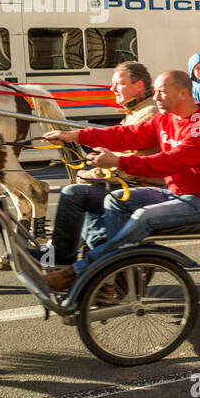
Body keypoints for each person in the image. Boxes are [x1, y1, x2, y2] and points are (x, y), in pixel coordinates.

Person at [41, 70, 200, 291]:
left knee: (143, 217)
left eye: (162, 92)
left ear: (183, 93)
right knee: (115, 200)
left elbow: (170, 162)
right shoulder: (165, 117)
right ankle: (119, 277)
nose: (157, 96)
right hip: (176, 193)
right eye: (156, 92)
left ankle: (81, 270)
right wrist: (76, 136)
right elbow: (127, 135)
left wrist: (118, 162)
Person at [45, 62, 162, 267]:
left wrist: (91, 174)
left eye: (119, 83)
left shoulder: (148, 113)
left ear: (139, 86)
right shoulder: (137, 110)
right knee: (84, 193)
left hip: (144, 188)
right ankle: (102, 262)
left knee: (74, 195)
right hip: (133, 184)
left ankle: (67, 260)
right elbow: (118, 145)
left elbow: (127, 164)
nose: (112, 89)